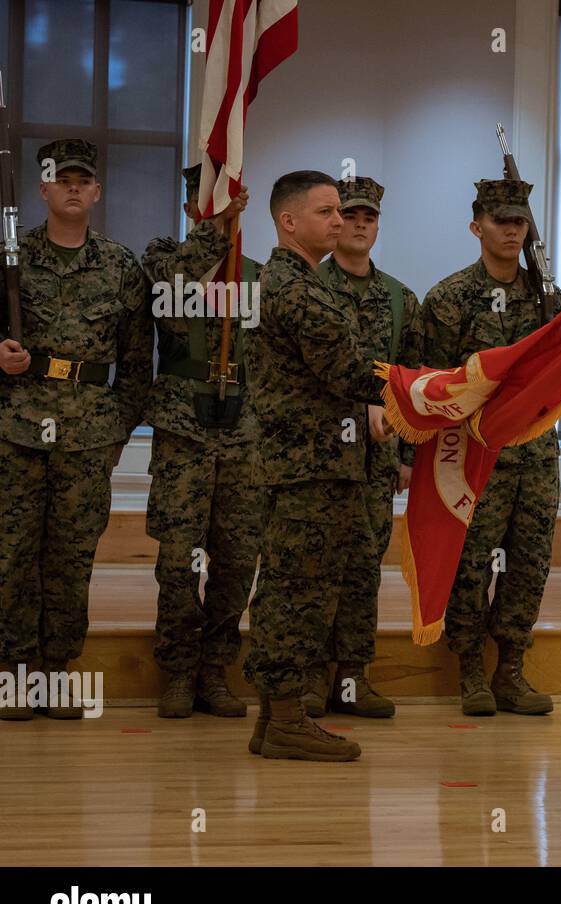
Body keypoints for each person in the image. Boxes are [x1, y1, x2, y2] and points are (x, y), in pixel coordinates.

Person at [403, 178, 561, 717]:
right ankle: (470, 672)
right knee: (472, 563)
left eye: (520, 221)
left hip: (536, 457)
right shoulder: (450, 299)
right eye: (501, 221)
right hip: (474, 455)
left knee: (529, 563)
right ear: (477, 227)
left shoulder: (549, 297)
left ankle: (511, 671)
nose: (511, 229)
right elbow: (435, 383)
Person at [0, 139, 152, 720]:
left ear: (95, 192)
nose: (71, 187)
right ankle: (13, 669)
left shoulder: (119, 266)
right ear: (42, 190)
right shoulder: (12, 257)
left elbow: (138, 364)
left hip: (88, 434)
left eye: (81, 179)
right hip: (16, 426)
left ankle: (56, 671)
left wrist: (116, 431)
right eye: (60, 179)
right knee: (14, 551)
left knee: (71, 556)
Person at [241, 170, 390, 761]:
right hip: (308, 465)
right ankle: (283, 719)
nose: (339, 221)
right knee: (296, 592)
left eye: (341, 212)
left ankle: (275, 717)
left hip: (313, 461)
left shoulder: (300, 281)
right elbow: (351, 372)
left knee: (294, 587)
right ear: (289, 221)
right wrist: (429, 389)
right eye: (326, 211)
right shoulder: (297, 288)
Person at [141, 164, 262, 719]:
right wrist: (217, 228)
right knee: (178, 561)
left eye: (227, 203)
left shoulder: (260, 278)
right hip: (183, 436)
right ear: (191, 208)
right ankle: (178, 669)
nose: (218, 212)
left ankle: (215, 669)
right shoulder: (164, 259)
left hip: (245, 437)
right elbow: (179, 285)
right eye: (207, 203)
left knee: (237, 561)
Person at [310, 175, 417, 719]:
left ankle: (351, 680)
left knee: (362, 570)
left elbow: (417, 384)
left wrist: (408, 459)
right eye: (348, 215)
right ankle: (307, 682)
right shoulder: (310, 288)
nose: (356, 225)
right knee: (312, 567)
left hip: (376, 461)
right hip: (316, 456)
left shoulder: (401, 299)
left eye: (367, 218)